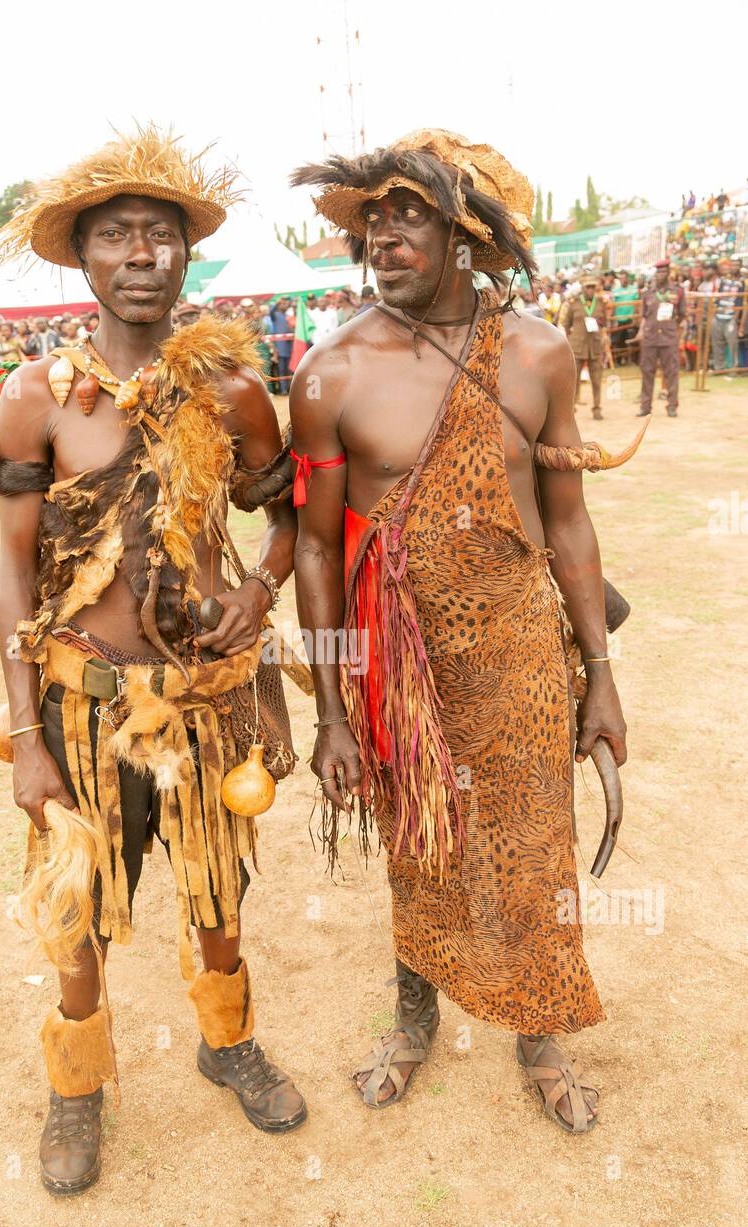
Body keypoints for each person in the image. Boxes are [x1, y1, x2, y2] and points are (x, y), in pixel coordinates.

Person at [286, 128, 638, 1134]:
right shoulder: (329, 372)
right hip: (399, 662)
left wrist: (599, 675)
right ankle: (411, 1015)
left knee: (534, 843)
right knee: (419, 843)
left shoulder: (533, 351)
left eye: (410, 217)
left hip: (521, 648)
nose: (384, 237)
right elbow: (314, 548)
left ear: (465, 233)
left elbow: (567, 520)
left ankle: (539, 1030)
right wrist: (333, 706)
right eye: (373, 220)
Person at [0, 124, 306, 1196]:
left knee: (216, 895)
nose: (139, 255)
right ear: (82, 259)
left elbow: (291, 515)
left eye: (158, 237)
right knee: (77, 906)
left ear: (186, 257)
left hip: (201, 702)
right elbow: (11, 576)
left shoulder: (229, 392)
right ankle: (76, 1086)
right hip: (77, 708)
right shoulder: (35, 396)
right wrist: (27, 740)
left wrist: (259, 591)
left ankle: (227, 1043)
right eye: (116, 237)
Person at [636, 259, 684, 416]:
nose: (661, 274)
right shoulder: (648, 293)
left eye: (664, 271)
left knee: (671, 372)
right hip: (650, 338)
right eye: (659, 271)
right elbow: (643, 315)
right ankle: (645, 406)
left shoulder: (678, 291)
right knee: (647, 371)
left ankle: (671, 406)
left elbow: (682, 313)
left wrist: (673, 328)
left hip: (668, 337)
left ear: (669, 273)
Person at [559, 275, 608, 419]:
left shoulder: (600, 303)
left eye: (593, 287)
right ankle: (571, 407)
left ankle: (597, 408)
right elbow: (566, 324)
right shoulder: (574, 304)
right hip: (578, 346)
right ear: (583, 288)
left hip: (595, 347)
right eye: (588, 287)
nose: (591, 290)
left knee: (597, 380)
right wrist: (571, 339)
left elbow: (604, 322)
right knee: (574, 379)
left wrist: (603, 335)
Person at [710, 257, 742, 372]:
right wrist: (715, 313)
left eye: (736, 265)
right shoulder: (722, 281)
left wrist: (736, 319)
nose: (734, 267)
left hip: (731, 317)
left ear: (740, 266)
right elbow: (717, 298)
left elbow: (741, 302)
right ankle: (719, 368)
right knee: (717, 343)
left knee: (732, 345)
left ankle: (733, 369)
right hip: (718, 315)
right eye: (732, 264)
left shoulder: (742, 282)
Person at [267, 296, 293, 393]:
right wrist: (278, 302)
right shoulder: (275, 315)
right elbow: (271, 311)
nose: (284, 306)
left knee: (288, 370)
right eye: (282, 304)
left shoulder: (288, 316)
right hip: (280, 348)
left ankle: (288, 389)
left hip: (289, 348)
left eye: (286, 304)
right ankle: (283, 390)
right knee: (281, 371)